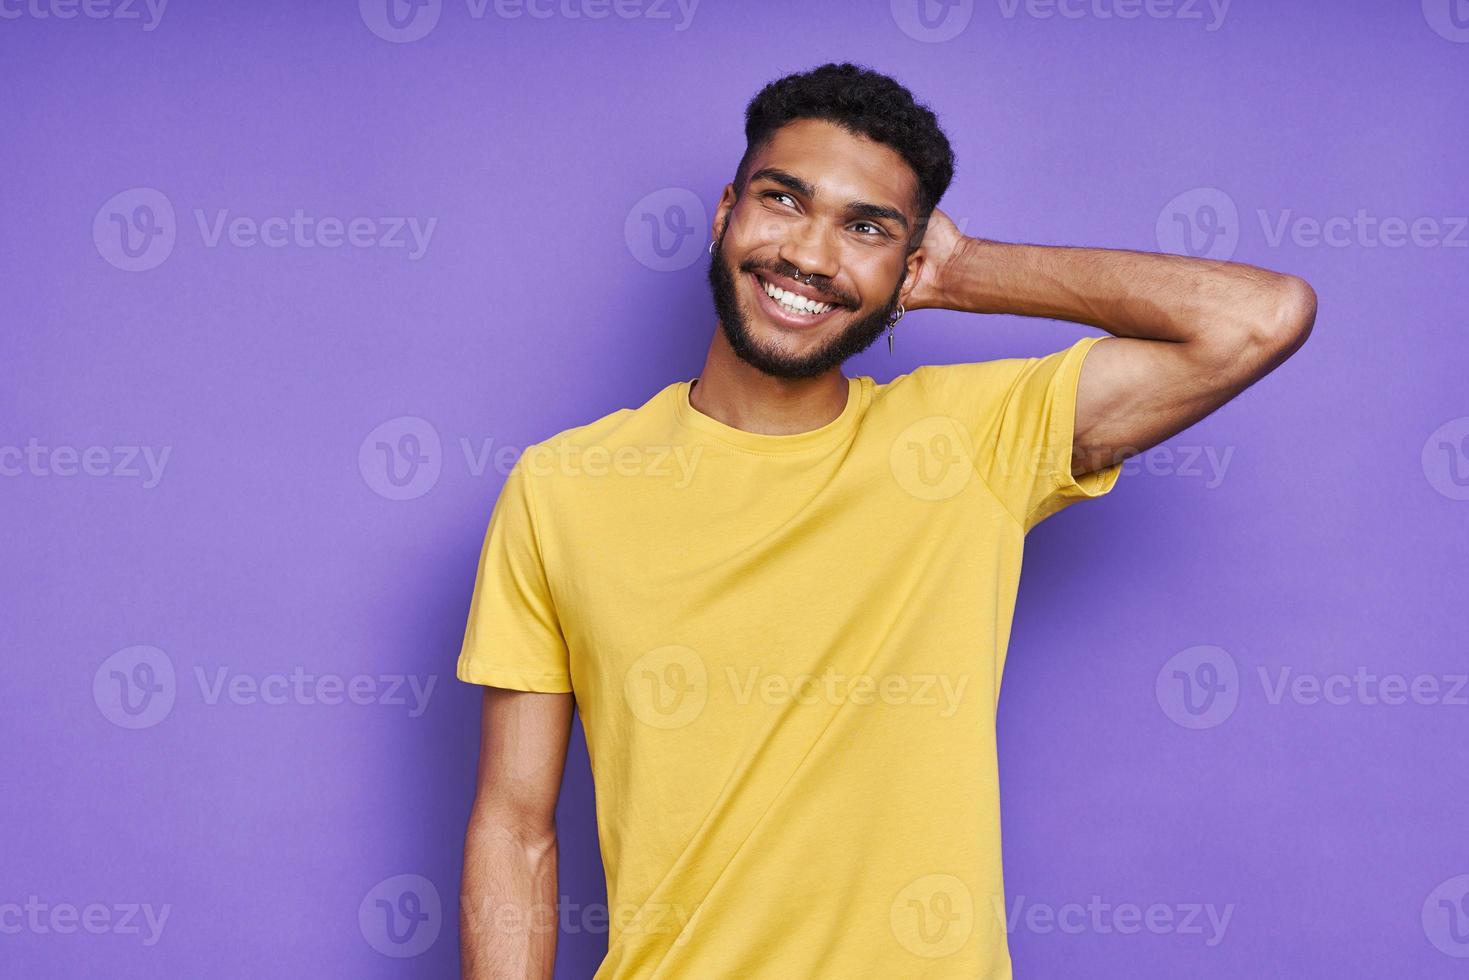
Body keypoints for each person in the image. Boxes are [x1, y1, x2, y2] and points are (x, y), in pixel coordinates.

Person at [456, 62, 1315, 979]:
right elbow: (514, 827)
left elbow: (1258, 318)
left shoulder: (970, 443)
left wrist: (970, 270)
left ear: (907, 268)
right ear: (724, 215)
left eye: (864, 229)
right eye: (783, 201)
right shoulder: (564, 486)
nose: (811, 258)